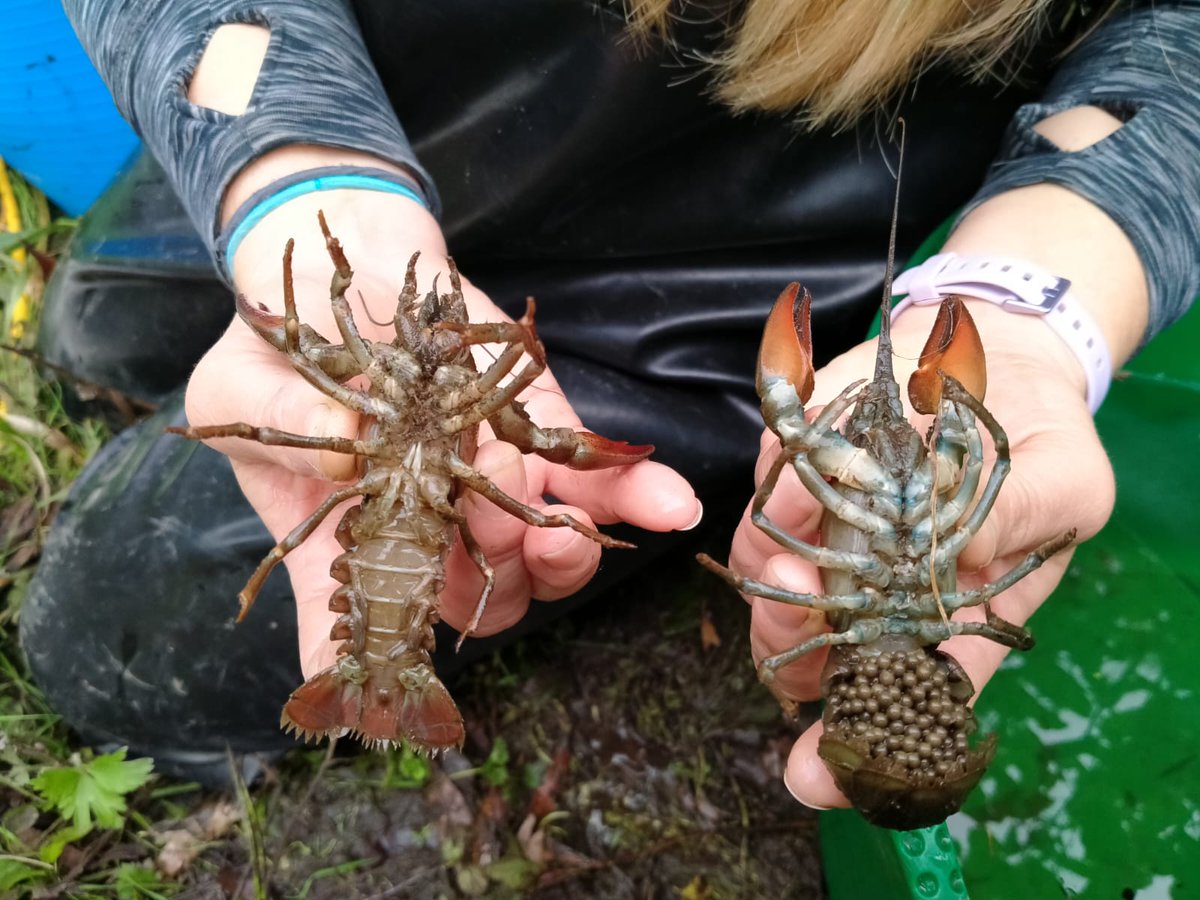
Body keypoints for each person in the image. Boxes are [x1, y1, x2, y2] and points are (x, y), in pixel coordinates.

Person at [23, 0, 1199, 808]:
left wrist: (1031, 306)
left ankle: (653, 488)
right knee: (98, 324)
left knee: (102, 633)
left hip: (722, 253)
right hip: (385, 101)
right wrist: (295, 182)